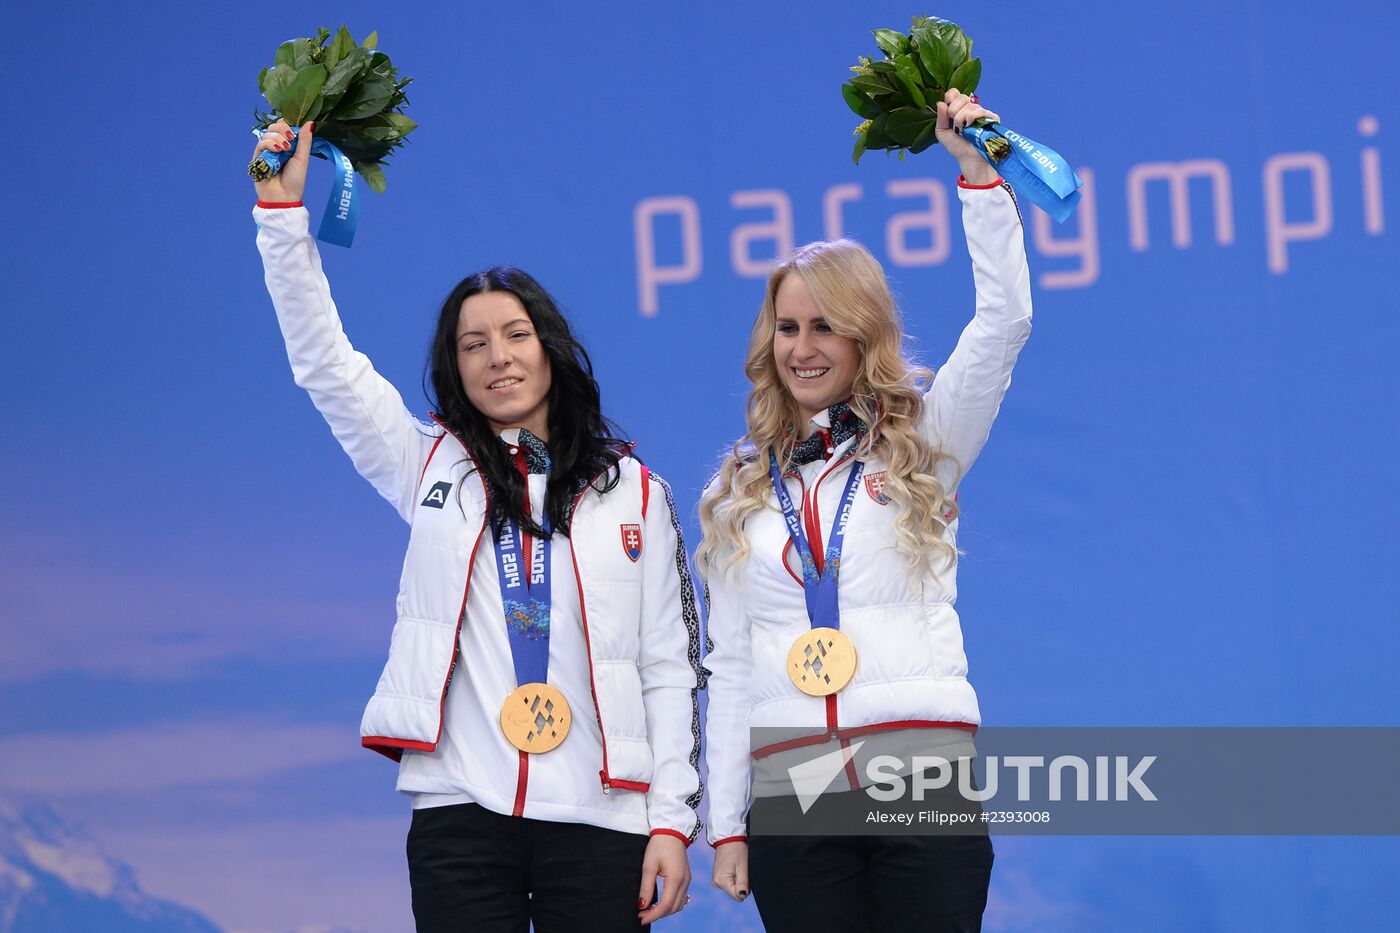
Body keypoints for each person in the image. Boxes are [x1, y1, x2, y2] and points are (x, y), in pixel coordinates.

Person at [250, 120, 701, 932]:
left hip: (603, 817)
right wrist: (281, 220)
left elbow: (671, 668)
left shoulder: (636, 491)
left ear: (553, 349)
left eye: (516, 335)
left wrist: (671, 821)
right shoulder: (426, 464)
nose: (499, 357)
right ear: (453, 367)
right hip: (461, 809)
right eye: (473, 344)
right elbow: (325, 364)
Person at [699, 88, 1032, 932]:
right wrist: (726, 820)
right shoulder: (740, 488)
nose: (802, 347)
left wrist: (979, 182)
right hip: (795, 791)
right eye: (787, 327)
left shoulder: (926, 438)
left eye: (825, 327)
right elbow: (731, 667)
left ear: (865, 335)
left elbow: (1005, 321)